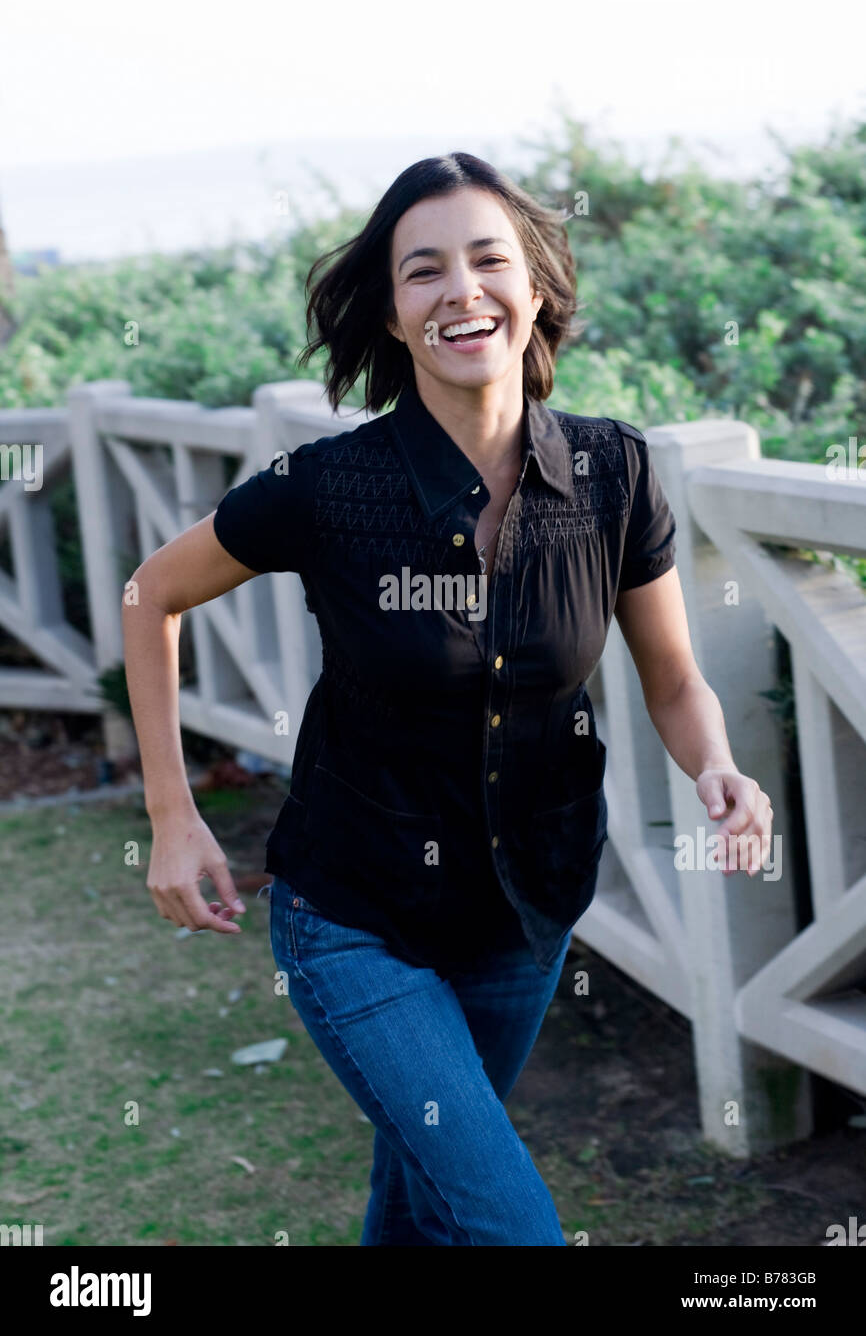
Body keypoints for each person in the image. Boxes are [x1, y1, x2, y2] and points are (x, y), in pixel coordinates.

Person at [123, 152, 774, 1246]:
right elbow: (151, 594)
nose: (460, 291)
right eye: (422, 272)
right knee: (504, 1220)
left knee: (427, 1190)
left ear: (535, 290)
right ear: (389, 312)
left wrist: (713, 762)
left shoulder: (616, 473)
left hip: (524, 915)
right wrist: (170, 812)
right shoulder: (326, 488)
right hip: (354, 916)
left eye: (488, 260)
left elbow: (673, 681)